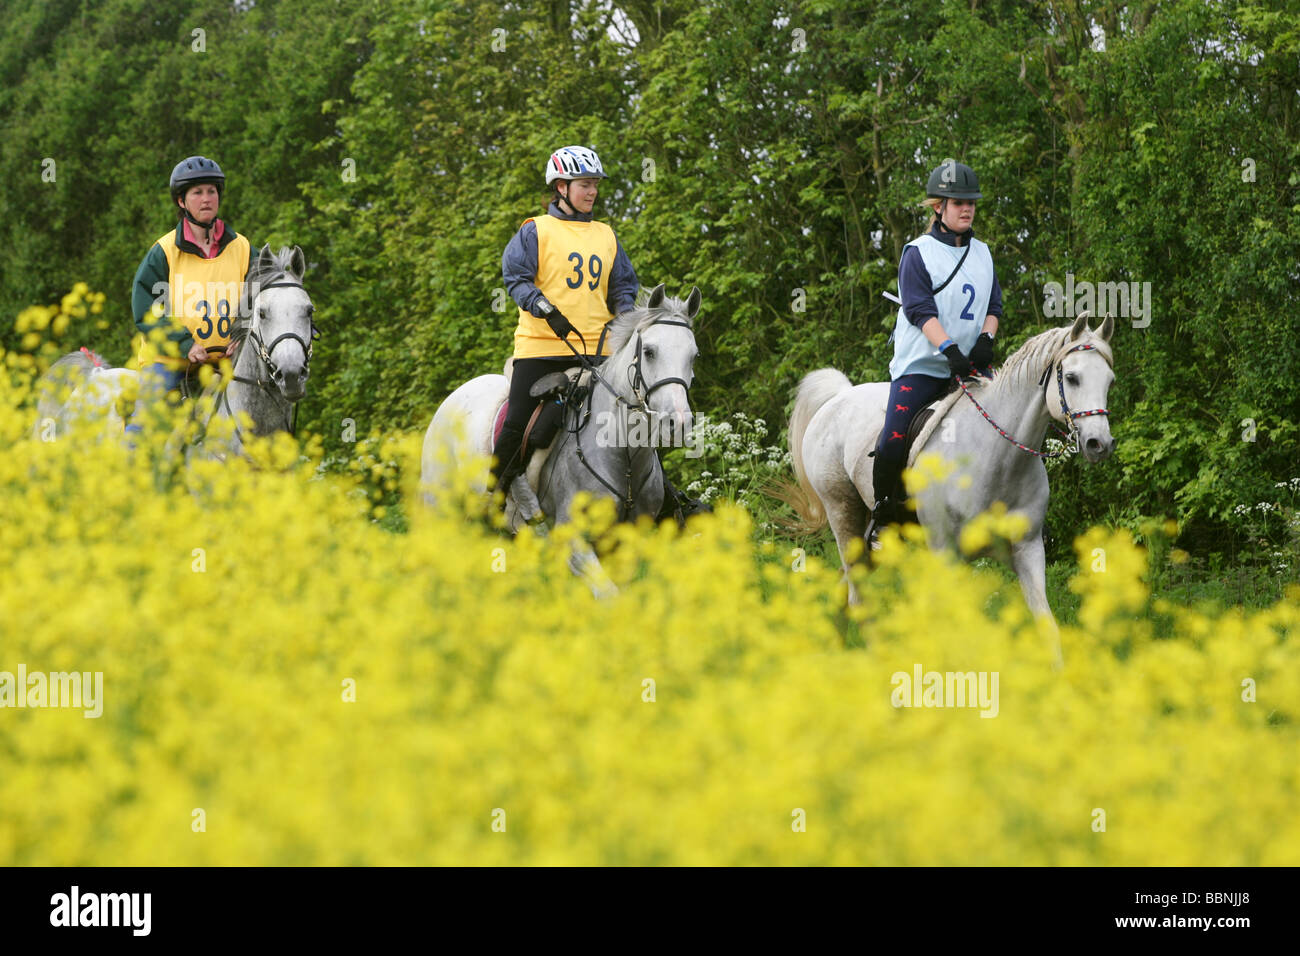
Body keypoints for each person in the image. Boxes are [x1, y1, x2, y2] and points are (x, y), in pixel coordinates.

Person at [497, 145, 705, 520]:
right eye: (584, 185)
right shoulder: (535, 230)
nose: (592, 191)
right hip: (541, 348)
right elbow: (516, 278)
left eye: (594, 185)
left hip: (598, 350)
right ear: (561, 187)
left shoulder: (606, 235)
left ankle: (668, 502)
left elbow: (623, 288)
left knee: (633, 420)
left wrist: (628, 318)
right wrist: (545, 308)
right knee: (519, 423)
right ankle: (494, 494)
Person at [870, 160, 1002, 540]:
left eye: (971, 202)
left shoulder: (983, 253)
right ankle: (883, 516)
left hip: (970, 364)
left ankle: (1015, 511)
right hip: (924, 366)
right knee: (893, 437)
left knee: (1015, 418)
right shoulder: (918, 252)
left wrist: (985, 342)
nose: (967, 208)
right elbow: (919, 310)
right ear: (937, 207)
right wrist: (949, 349)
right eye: (957, 202)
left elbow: (994, 308)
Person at [125, 156, 255, 443]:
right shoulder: (164, 251)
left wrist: (243, 334)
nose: (206, 199)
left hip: (227, 362)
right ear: (182, 202)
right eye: (197, 193)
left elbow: (260, 299)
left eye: (211, 191)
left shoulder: (243, 248)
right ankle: (129, 469)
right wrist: (185, 344)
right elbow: (148, 309)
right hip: (170, 362)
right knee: (145, 429)